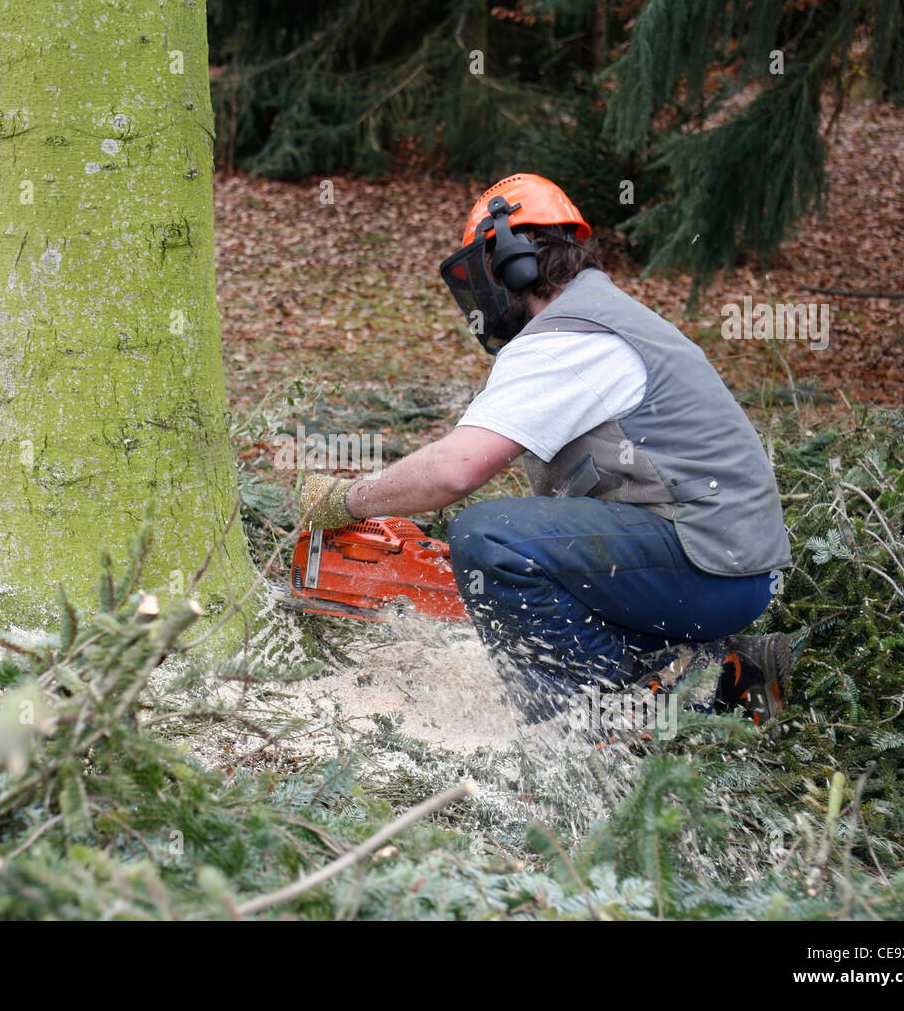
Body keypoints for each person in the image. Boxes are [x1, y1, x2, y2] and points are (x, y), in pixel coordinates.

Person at [299, 173, 793, 725]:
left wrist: (349, 500)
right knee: (515, 551)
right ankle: (717, 676)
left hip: (703, 566)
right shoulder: (605, 316)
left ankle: (596, 723)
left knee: (488, 537)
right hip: (724, 566)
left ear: (511, 258)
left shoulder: (570, 337)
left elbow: (455, 470)